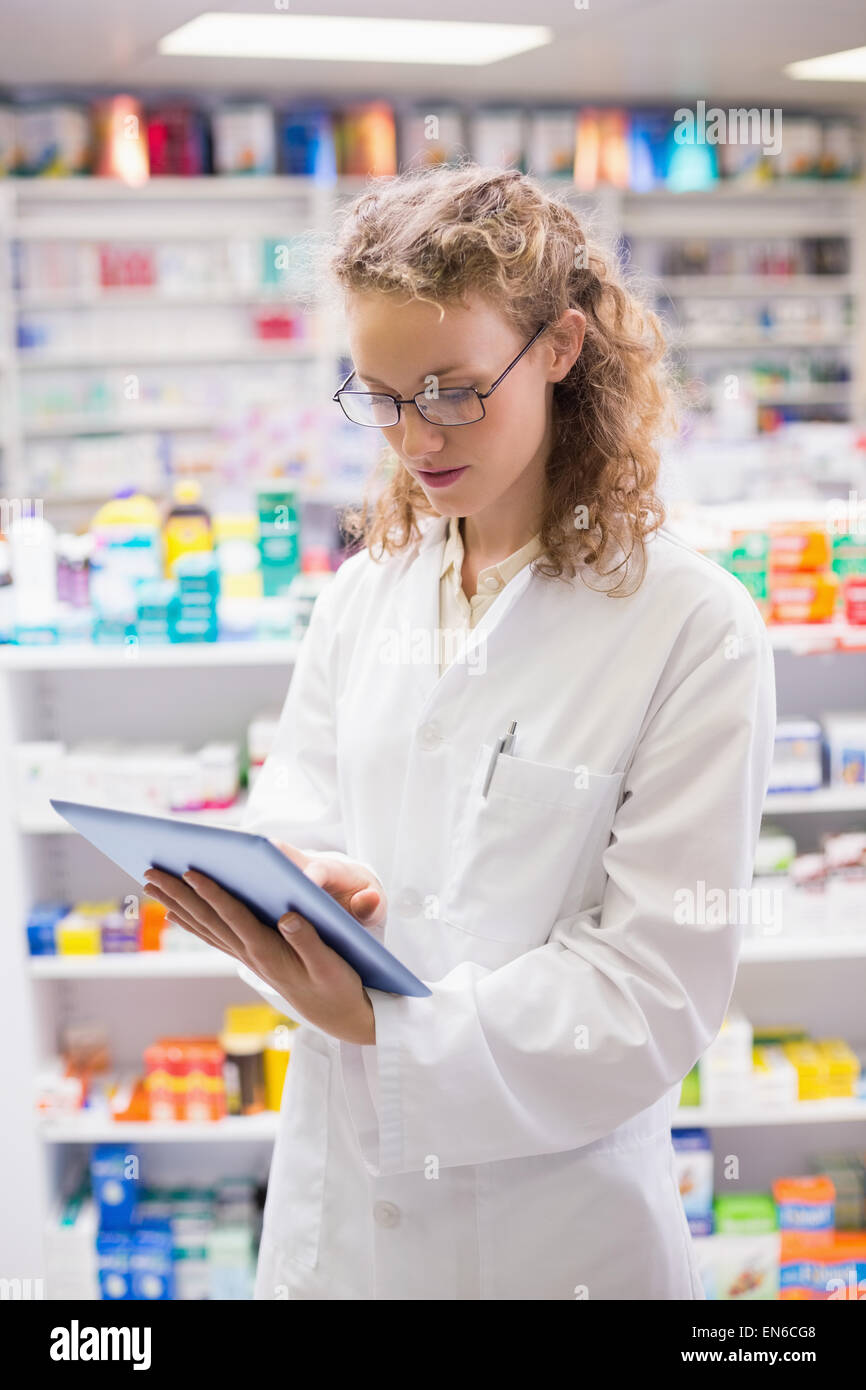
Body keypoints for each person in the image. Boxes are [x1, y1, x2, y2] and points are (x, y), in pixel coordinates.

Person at [144, 163, 776, 1301]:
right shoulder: (363, 594)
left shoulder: (688, 625)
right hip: (342, 1227)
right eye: (380, 395)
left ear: (559, 348)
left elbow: (651, 990)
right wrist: (293, 887)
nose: (413, 435)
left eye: (449, 388)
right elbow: (298, 804)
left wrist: (390, 1029)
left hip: (556, 1239)